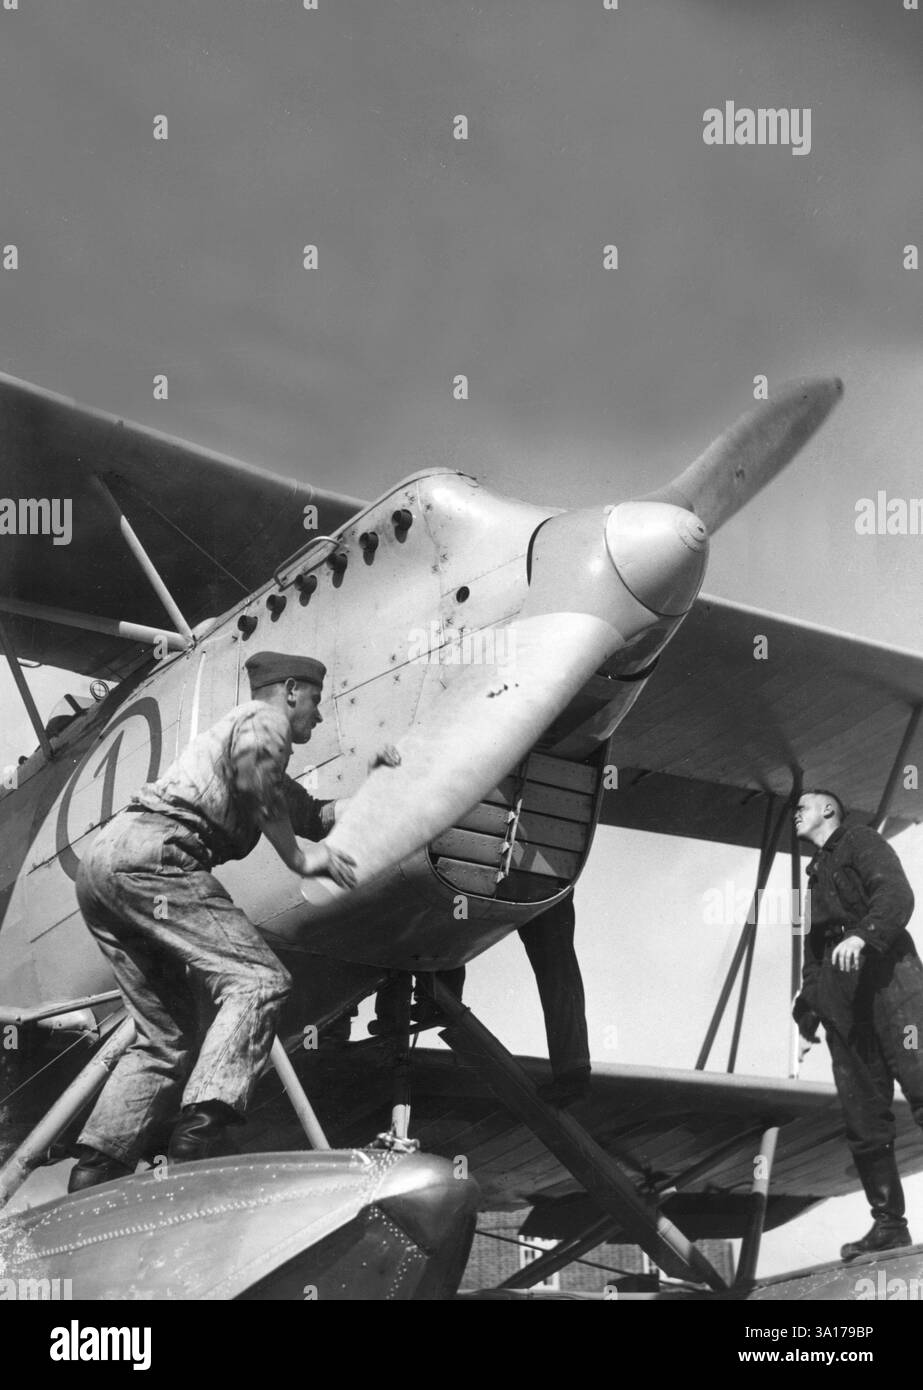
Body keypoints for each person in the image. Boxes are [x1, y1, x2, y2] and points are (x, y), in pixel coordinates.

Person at [68, 651, 386, 1192]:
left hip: (106, 867)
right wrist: (298, 860)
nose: (319, 716)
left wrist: (384, 781)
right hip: (160, 856)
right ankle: (196, 1147)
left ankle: (96, 1168)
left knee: (166, 1037)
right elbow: (255, 781)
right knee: (259, 980)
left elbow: (313, 815)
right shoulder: (265, 725)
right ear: (290, 691)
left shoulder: (247, 740)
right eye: (315, 700)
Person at [792, 788, 923, 1260]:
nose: (795, 814)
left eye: (802, 807)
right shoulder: (812, 878)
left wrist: (863, 936)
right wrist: (809, 1009)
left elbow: (896, 894)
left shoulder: (861, 841)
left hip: (891, 980)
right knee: (862, 1117)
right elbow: (812, 955)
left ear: (829, 809)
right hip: (842, 999)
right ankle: (888, 1223)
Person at [369, 889, 591, 1106]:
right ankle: (574, 1070)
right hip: (546, 884)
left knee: (455, 906)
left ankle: (425, 1002)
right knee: (558, 963)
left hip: (489, 886)